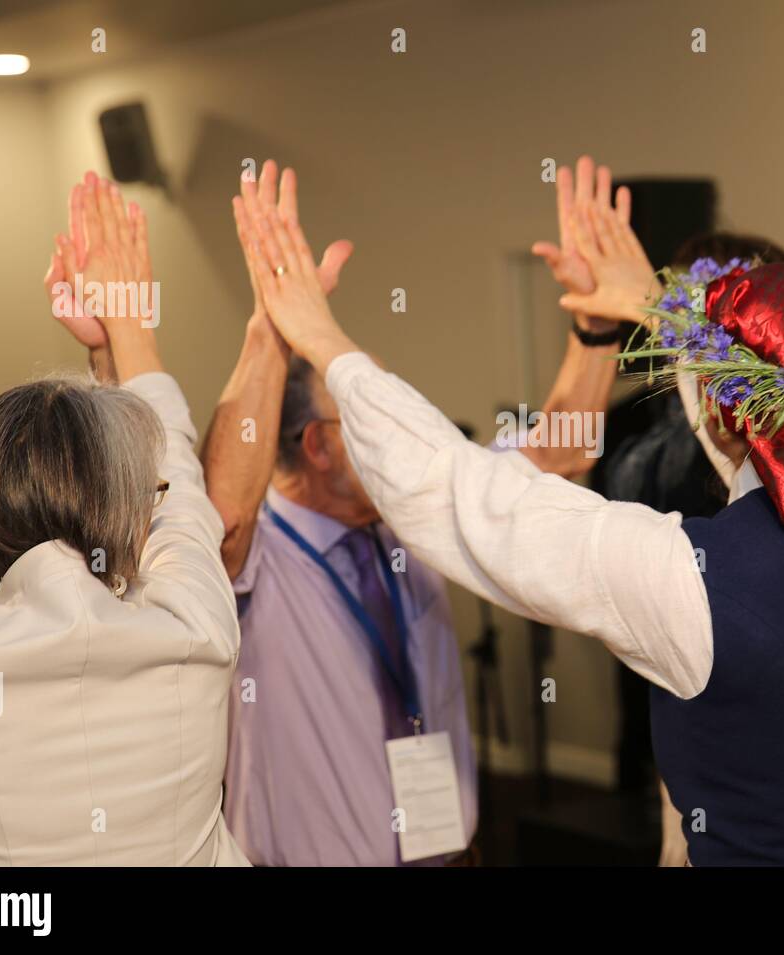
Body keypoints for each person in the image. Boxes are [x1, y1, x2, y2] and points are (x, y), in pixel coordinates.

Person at [232, 161, 784, 866]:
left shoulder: (685, 581)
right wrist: (648, 307)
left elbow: (463, 493)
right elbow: (776, 437)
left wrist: (323, 341)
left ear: (715, 414)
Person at [203, 158, 622, 866]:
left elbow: (563, 453)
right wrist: (271, 334)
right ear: (318, 448)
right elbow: (224, 518)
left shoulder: (414, 511)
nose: (387, 430)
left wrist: (596, 331)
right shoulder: (252, 559)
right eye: (360, 418)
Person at [0, 173, 247, 866]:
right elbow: (174, 476)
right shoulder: (198, 629)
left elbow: (168, 479)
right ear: (135, 500)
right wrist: (127, 329)